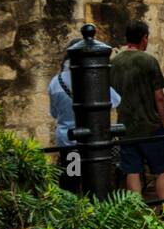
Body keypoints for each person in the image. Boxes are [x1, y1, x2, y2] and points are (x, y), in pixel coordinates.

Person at [109, 20, 164, 202]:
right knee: (162, 169)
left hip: (126, 127)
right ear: (144, 38)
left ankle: (137, 213)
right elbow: (159, 97)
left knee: (132, 170)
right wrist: (163, 123)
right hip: (151, 126)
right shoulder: (148, 61)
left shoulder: (114, 63)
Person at [48, 46, 121, 192]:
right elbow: (116, 100)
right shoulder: (93, 77)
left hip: (69, 141)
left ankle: (73, 207)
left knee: (72, 177)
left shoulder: (56, 82)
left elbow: (54, 113)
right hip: (93, 141)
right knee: (94, 178)